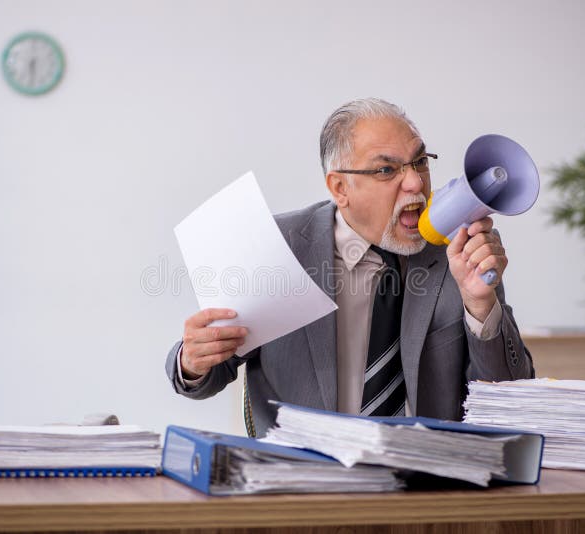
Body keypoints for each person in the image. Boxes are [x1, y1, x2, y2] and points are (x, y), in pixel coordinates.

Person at [165, 98, 534, 436]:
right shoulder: (279, 246)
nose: (415, 183)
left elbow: (509, 400)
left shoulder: (462, 255)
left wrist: (481, 307)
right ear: (340, 188)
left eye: (420, 162)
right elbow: (207, 375)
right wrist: (192, 361)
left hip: (425, 491)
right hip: (305, 489)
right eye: (387, 170)